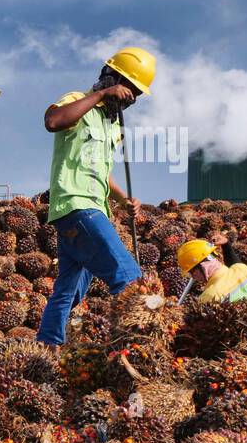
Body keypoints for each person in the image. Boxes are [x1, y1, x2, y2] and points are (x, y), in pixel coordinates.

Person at [36, 46, 157, 347]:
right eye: (127, 90)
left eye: (135, 97)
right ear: (109, 77)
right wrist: (101, 96)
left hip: (90, 210)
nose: (128, 100)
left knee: (69, 290)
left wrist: (122, 199)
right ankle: (140, 346)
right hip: (77, 207)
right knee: (130, 278)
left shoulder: (112, 125)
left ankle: (45, 349)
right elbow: (53, 122)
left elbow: (101, 173)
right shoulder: (77, 102)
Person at [177, 230, 247, 303]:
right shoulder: (243, 270)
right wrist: (226, 244)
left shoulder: (208, 297)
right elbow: (234, 262)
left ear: (203, 266)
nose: (193, 277)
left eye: (191, 272)